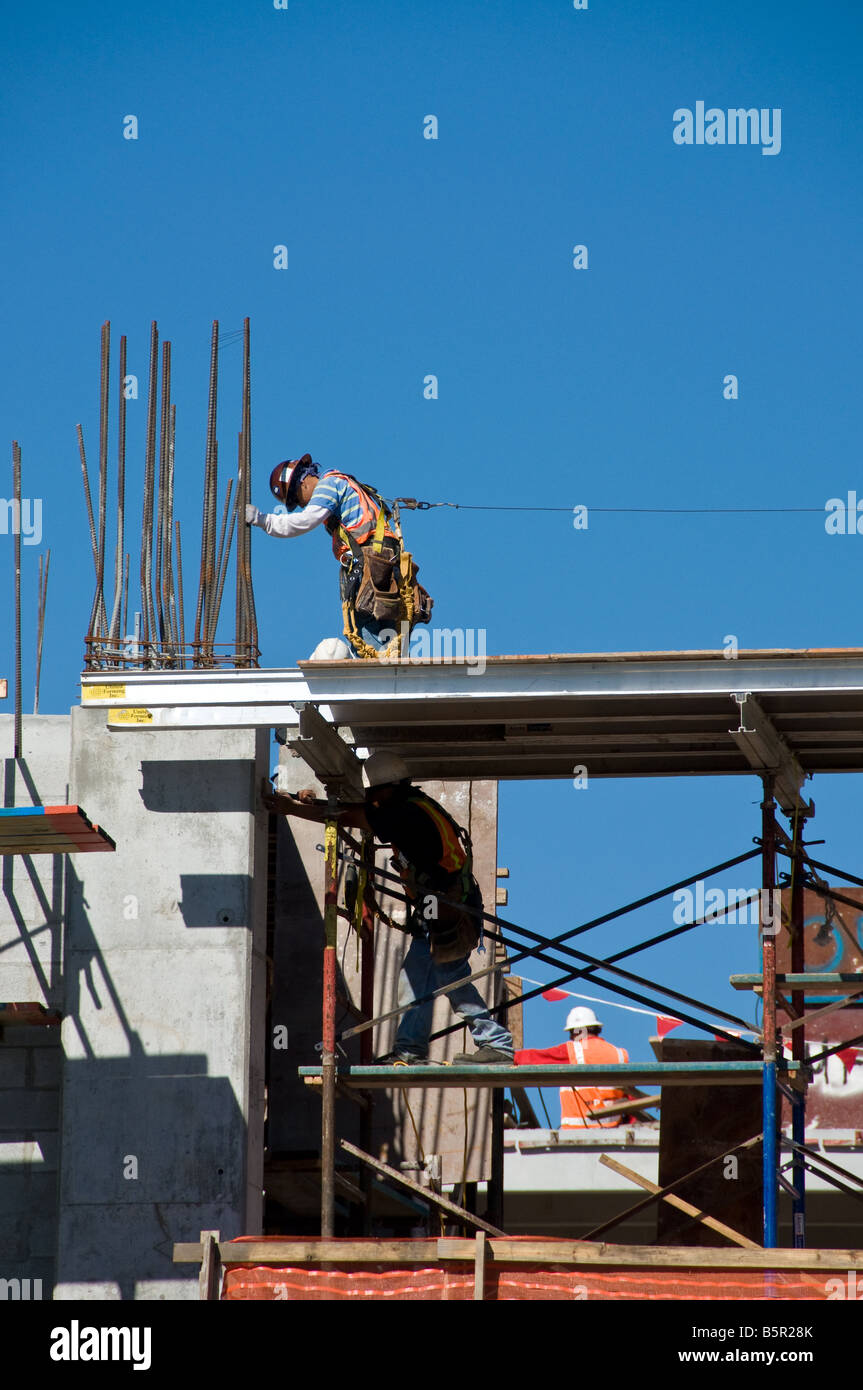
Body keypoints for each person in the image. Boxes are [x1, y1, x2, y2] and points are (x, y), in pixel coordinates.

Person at [264, 751, 514, 1067]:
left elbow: (350, 816)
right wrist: (308, 804)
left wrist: (296, 810)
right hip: (444, 906)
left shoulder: (404, 813)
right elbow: (359, 812)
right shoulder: (412, 806)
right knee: (422, 977)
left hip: (447, 908)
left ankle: (492, 1043)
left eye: (373, 792)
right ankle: (414, 1050)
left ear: (388, 787)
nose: (371, 798)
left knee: (442, 975)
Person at [245, 455, 431, 657]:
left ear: (303, 481)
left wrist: (262, 520)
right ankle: (391, 674)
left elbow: (304, 521)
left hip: (370, 567)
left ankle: (380, 679)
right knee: (387, 638)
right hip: (383, 564)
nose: (300, 504)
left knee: (372, 636)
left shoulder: (329, 485)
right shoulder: (344, 483)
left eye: (296, 498)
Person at [515, 1007, 635, 1128]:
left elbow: (537, 1057)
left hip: (579, 1132)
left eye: (571, 1033)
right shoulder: (618, 1053)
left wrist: (509, 1055)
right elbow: (630, 1097)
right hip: (614, 1131)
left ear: (578, 1031)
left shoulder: (575, 1050)